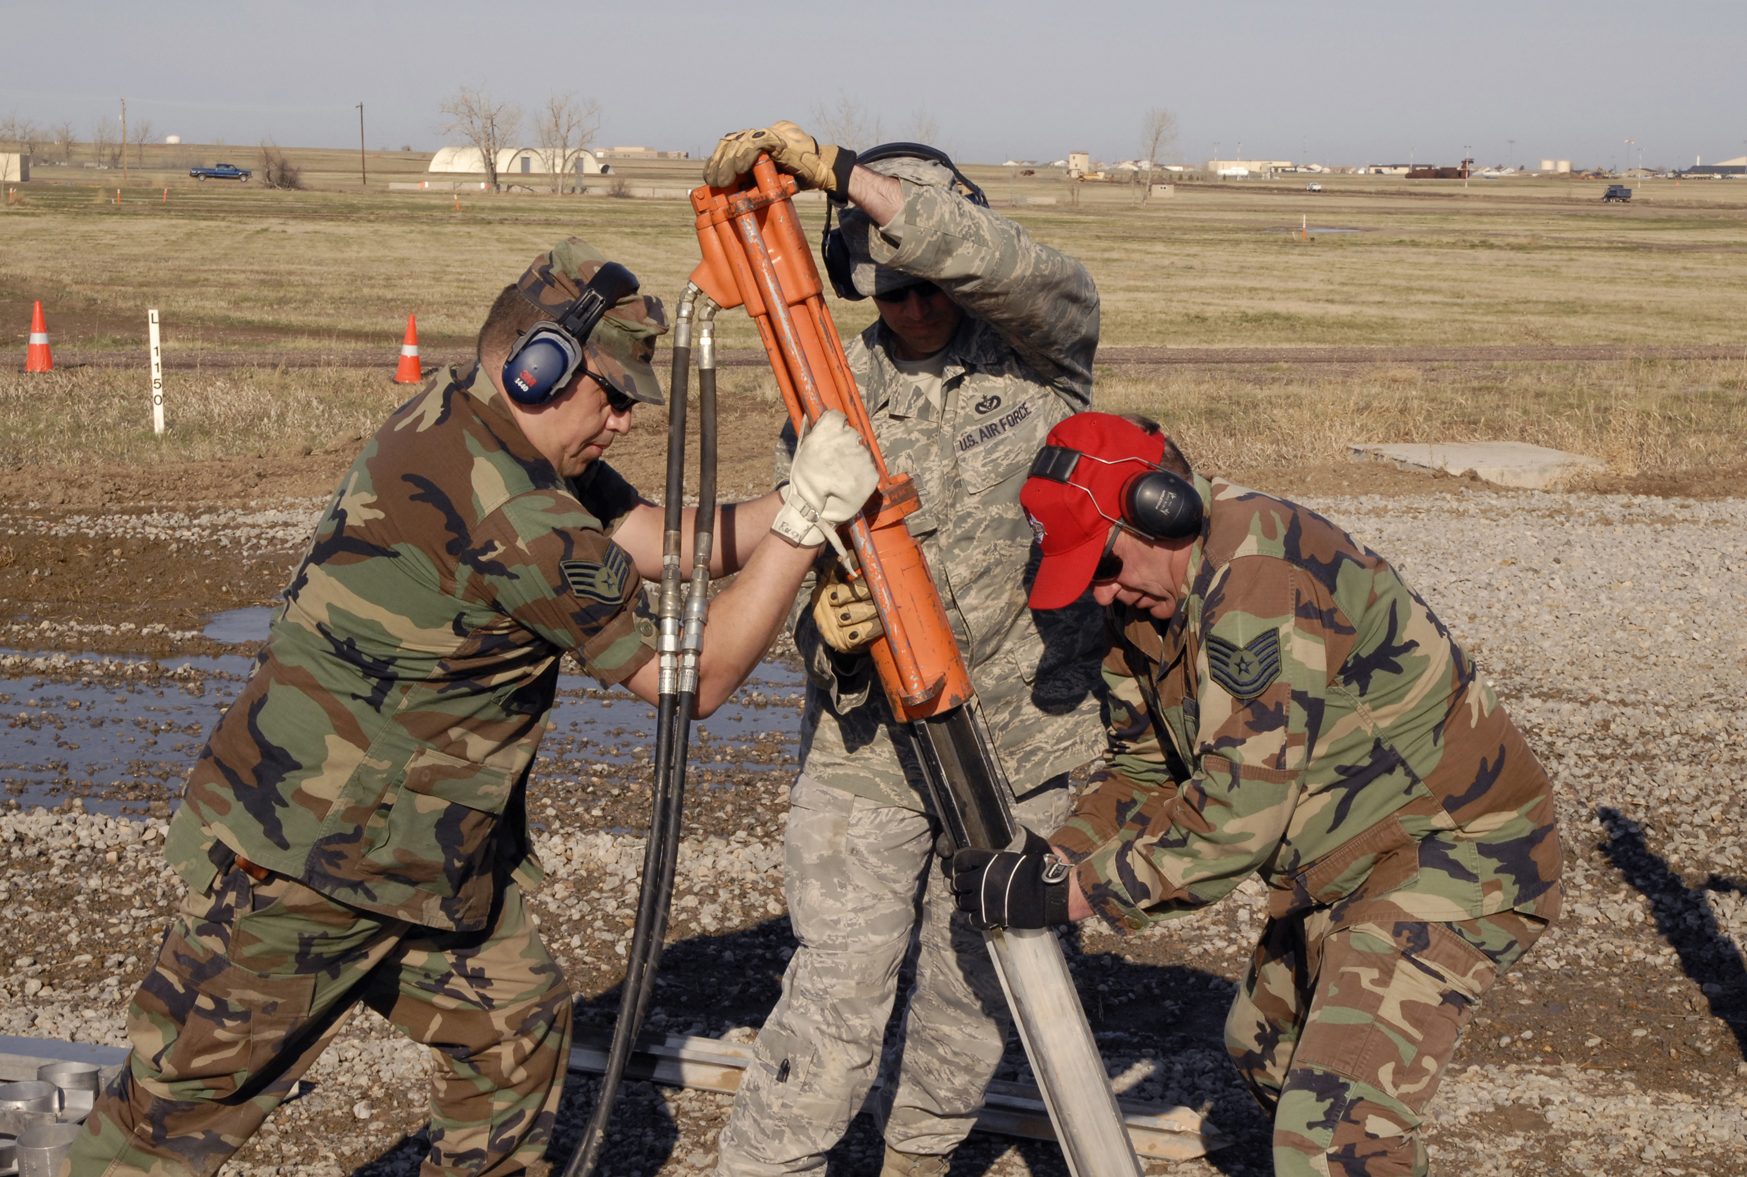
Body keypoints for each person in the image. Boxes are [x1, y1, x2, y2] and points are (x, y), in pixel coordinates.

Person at [65, 238, 878, 1177]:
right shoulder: (514, 515)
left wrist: (793, 507)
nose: (620, 421)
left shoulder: (473, 416)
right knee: (175, 1115)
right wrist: (799, 531)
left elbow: (653, 536)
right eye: (609, 395)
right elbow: (689, 678)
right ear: (540, 366)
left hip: (419, 854)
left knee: (514, 1030)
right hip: (308, 860)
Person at [951, 411, 1564, 1176]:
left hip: (1456, 853)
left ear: (1162, 510)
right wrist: (1054, 858)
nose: (1105, 594)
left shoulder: (1257, 571)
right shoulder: (1152, 607)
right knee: (1265, 1053)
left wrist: (1074, 896)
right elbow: (1147, 773)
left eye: (1107, 565)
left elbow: (1236, 818)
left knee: (1332, 1133)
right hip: (1346, 864)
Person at [699, 124, 1108, 1177]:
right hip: (869, 755)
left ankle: (917, 1162)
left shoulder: (1042, 357)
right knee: (836, 996)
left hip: (1023, 740)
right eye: (891, 292)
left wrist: (843, 177)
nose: (917, 308)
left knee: (972, 999)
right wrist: (825, 637)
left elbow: (1036, 273)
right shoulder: (826, 396)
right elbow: (808, 548)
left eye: (932, 283)